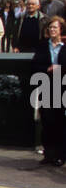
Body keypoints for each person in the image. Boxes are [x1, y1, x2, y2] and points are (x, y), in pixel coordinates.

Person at [32, 16, 66, 165]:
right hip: (46, 84)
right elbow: (35, 65)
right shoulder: (42, 46)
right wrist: (47, 68)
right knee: (47, 120)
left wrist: (60, 69)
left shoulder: (64, 46)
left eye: (55, 28)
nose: (52, 30)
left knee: (60, 121)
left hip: (61, 85)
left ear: (61, 30)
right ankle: (48, 153)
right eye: (50, 28)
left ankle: (60, 155)